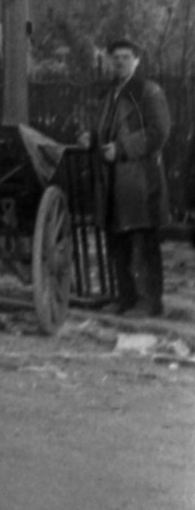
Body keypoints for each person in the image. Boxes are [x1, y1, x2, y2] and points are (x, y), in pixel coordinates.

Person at [90, 36, 171, 318]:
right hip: (113, 180)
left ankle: (149, 303)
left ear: (137, 61)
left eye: (126, 57)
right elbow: (104, 129)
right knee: (118, 242)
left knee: (142, 242)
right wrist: (91, 137)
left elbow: (159, 132)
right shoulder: (110, 93)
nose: (120, 62)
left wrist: (123, 148)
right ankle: (125, 299)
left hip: (140, 182)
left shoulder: (148, 91)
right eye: (116, 58)